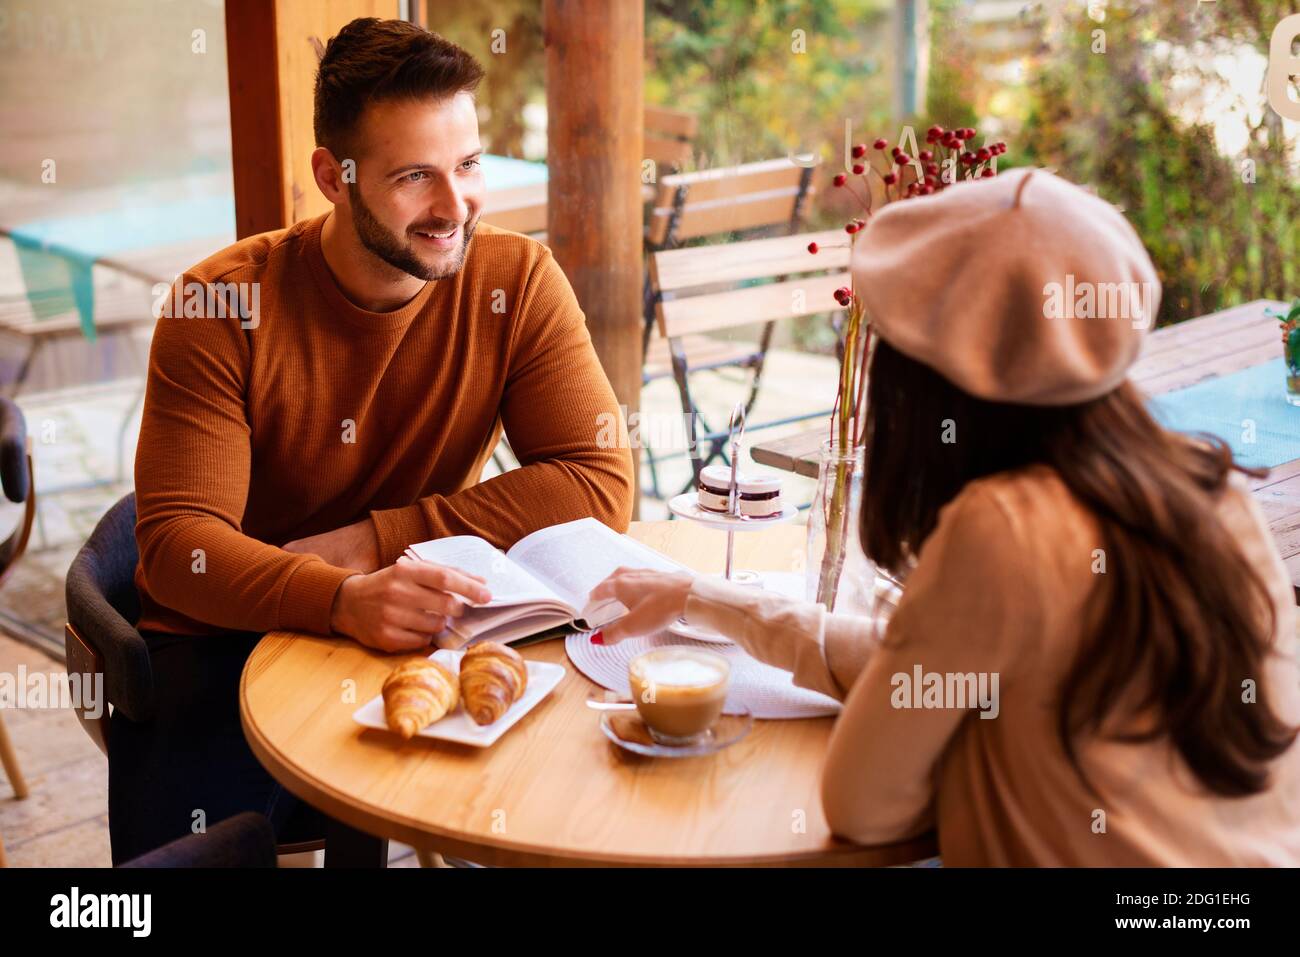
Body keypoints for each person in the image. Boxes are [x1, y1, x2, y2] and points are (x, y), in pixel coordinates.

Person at [591, 168, 1300, 866]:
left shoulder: (1004, 528)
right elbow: (941, 665)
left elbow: (864, 805)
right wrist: (704, 598)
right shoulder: (1216, 497)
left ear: (924, 385)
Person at [111, 18, 634, 863]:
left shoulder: (515, 281)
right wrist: (337, 596)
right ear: (333, 175)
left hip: (405, 633)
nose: (453, 205)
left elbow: (596, 481)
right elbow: (178, 552)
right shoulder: (218, 304)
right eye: (414, 176)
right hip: (221, 634)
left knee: (571, 797)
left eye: (468, 166)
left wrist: (370, 545)